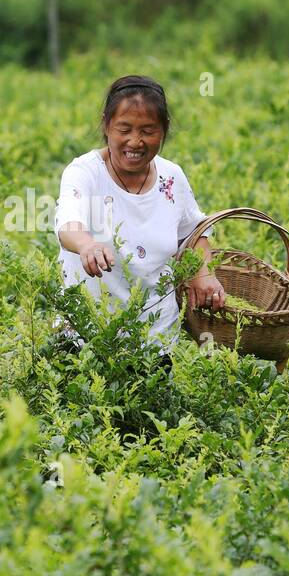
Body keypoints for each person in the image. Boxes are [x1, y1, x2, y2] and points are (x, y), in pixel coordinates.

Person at [53, 75, 225, 366]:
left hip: (154, 343)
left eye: (148, 130)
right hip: (84, 336)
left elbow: (194, 233)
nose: (136, 141)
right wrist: (87, 246)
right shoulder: (85, 173)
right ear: (106, 125)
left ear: (164, 131)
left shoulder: (172, 177)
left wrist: (204, 273)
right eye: (125, 129)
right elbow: (68, 223)